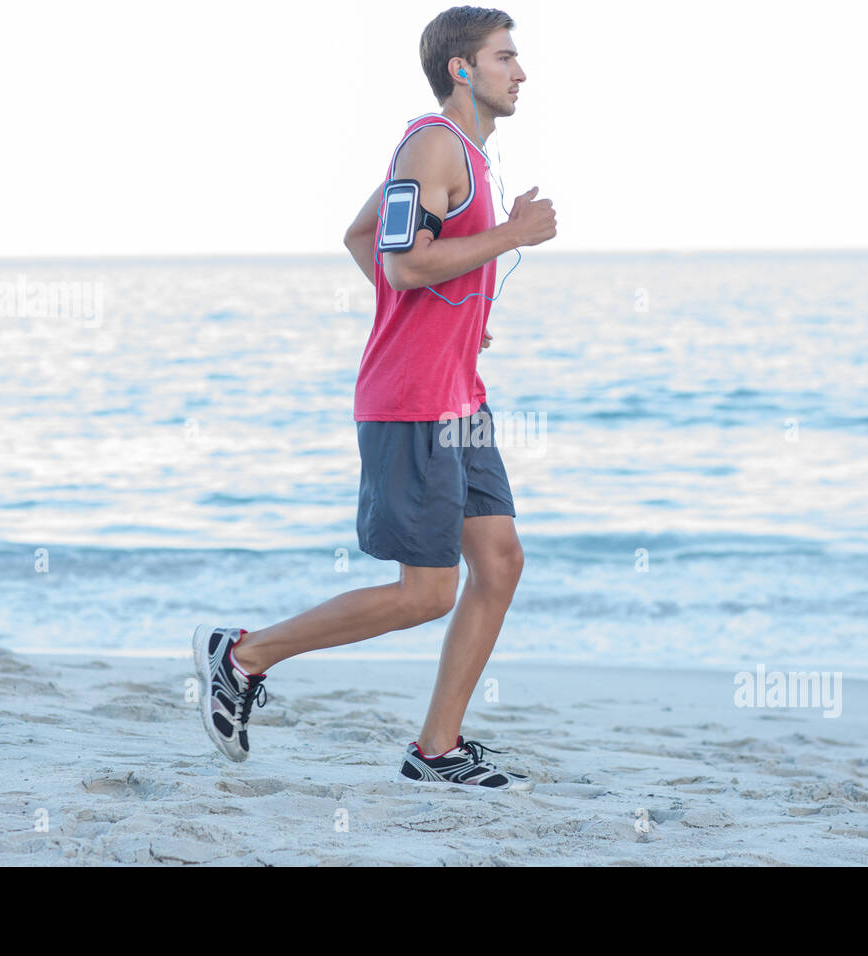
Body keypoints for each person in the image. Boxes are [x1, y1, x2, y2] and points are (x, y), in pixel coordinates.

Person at [192, 5, 557, 790]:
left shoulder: (463, 156)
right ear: (462, 69)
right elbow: (401, 264)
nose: (520, 72)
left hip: (461, 398)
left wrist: (454, 317)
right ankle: (245, 654)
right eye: (505, 56)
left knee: (498, 563)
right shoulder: (432, 144)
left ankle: (435, 751)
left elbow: (361, 238)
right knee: (425, 592)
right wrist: (514, 236)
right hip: (414, 401)